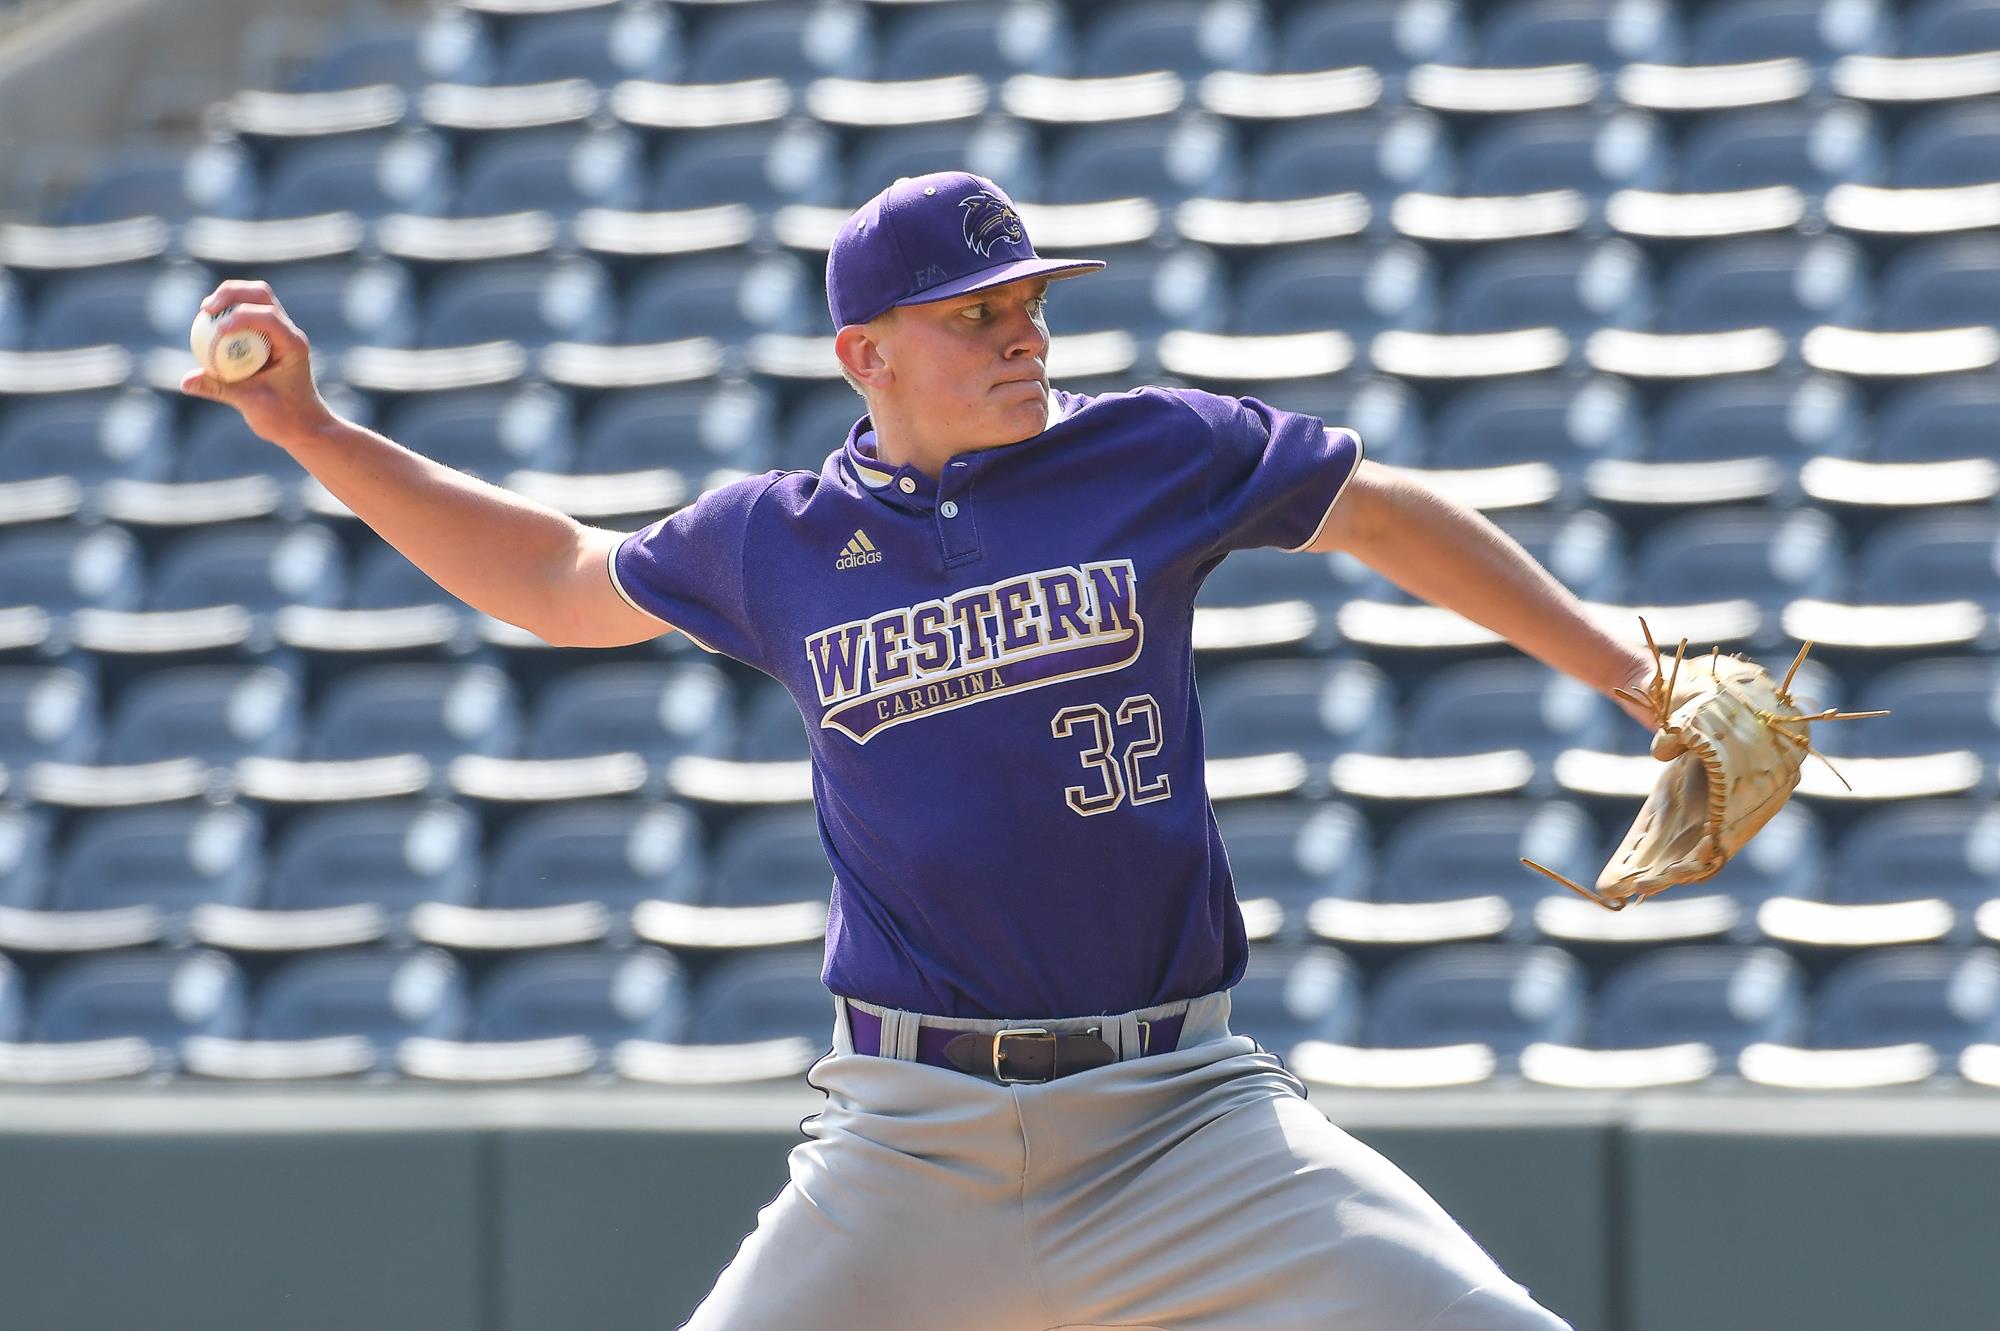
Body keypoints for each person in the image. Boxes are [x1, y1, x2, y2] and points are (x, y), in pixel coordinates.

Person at [187, 171, 1655, 1330]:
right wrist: (311, 430)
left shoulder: (1149, 452)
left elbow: (1381, 511)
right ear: (863, 352)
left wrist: (1627, 671)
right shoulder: (779, 542)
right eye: (976, 314)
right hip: (912, 1144)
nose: (1022, 332)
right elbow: (559, 582)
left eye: (1028, 303)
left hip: (1187, 1123)